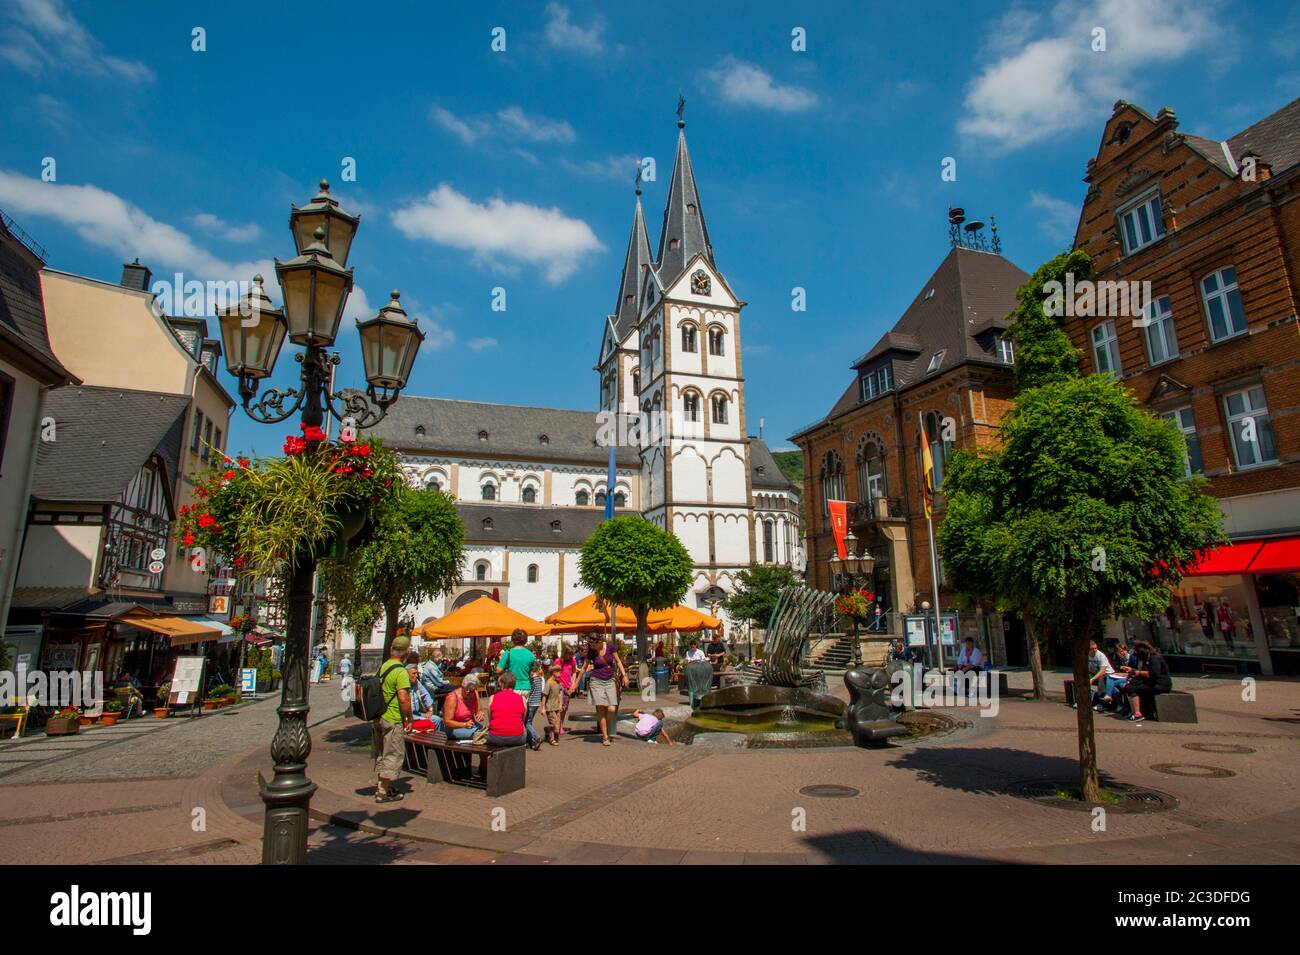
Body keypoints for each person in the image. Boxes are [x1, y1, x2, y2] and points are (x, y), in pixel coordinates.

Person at [372, 636, 412, 803]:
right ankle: (383, 793)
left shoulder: (384, 666)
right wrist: (409, 717)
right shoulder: (400, 671)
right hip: (393, 718)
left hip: (379, 715)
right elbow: (403, 698)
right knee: (392, 754)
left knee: (382, 752)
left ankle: (383, 786)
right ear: (406, 652)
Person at [575, 636, 629, 746]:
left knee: (611, 708)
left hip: (609, 680)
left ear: (600, 642)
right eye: (591, 645)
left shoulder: (610, 647)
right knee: (600, 709)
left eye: (594, 645)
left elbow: (618, 661)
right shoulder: (591, 652)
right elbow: (584, 668)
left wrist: (624, 675)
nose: (592, 647)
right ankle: (605, 736)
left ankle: (604, 726)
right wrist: (576, 683)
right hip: (596, 681)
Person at [1123, 640, 1172, 723]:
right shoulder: (1150, 658)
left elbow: (1154, 673)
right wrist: (1133, 670)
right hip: (1153, 683)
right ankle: (1135, 712)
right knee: (1130, 686)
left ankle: (1137, 714)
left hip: (1161, 685)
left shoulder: (1154, 658)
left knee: (1132, 688)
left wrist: (1139, 672)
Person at [486, 672, 528, 747]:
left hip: (495, 738)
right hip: (517, 738)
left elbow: (490, 718)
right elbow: (523, 719)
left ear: (502, 684)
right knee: (523, 727)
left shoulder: (492, 698)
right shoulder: (522, 699)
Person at [496, 630, 536, 705]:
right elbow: (531, 672)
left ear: (513, 639)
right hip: (526, 687)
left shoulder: (508, 653)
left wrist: (505, 666)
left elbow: (498, 670)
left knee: (512, 711)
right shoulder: (530, 655)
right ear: (525, 640)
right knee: (522, 711)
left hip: (512, 686)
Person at [443, 673, 485, 741]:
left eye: (471, 690)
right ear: (462, 686)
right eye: (466, 689)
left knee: (489, 733)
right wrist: (464, 724)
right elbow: (447, 722)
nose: (468, 692)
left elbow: (479, 710)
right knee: (479, 735)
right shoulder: (452, 698)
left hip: (471, 726)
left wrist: (480, 713)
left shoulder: (474, 693)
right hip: (454, 729)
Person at [406, 664, 441, 730]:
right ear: (406, 674)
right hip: (408, 716)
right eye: (414, 673)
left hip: (416, 713)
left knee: (437, 719)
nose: (416, 676)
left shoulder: (416, 682)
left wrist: (430, 710)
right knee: (430, 721)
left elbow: (425, 694)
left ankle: (436, 737)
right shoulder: (404, 684)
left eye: (417, 673)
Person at [1082, 639, 1114, 709]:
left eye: (1095, 648)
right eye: (1092, 649)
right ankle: (1083, 700)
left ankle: (1101, 699)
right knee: (1082, 679)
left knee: (1101, 677)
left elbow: (1102, 671)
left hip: (1107, 674)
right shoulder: (1087, 655)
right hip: (1094, 673)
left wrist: (1093, 679)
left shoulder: (1100, 655)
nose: (1094, 650)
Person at [524, 662, 544, 750]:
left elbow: (530, 691)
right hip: (536, 703)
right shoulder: (540, 679)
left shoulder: (533, 680)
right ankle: (530, 742)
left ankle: (536, 737)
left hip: (531, 703)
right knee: (529, 722)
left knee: (527, 723)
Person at [542, 664, 564, 745]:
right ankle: (552, 739)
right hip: (550, 707)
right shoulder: (549, 682)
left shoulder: (558, 682)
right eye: (558, 672)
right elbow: (544, 695)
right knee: (554, 724)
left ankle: (547, 730)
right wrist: (543, 708)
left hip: (557, 706)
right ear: (554, 672)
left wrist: (561, 704)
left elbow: (560, 694)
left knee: (558, 724)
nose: (560, 673)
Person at [557, 645, 576, 735]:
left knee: (564, 708)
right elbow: (554, 672)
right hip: (559, 687)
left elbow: (574, 672)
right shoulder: (558, 661)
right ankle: (557, 726)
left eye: (571, 654)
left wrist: (573, 684)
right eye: (569, 654)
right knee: (558, 708)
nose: (570, 656)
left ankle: (560, 725)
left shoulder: (572, 661)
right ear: (565, 653)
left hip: (567, 687)